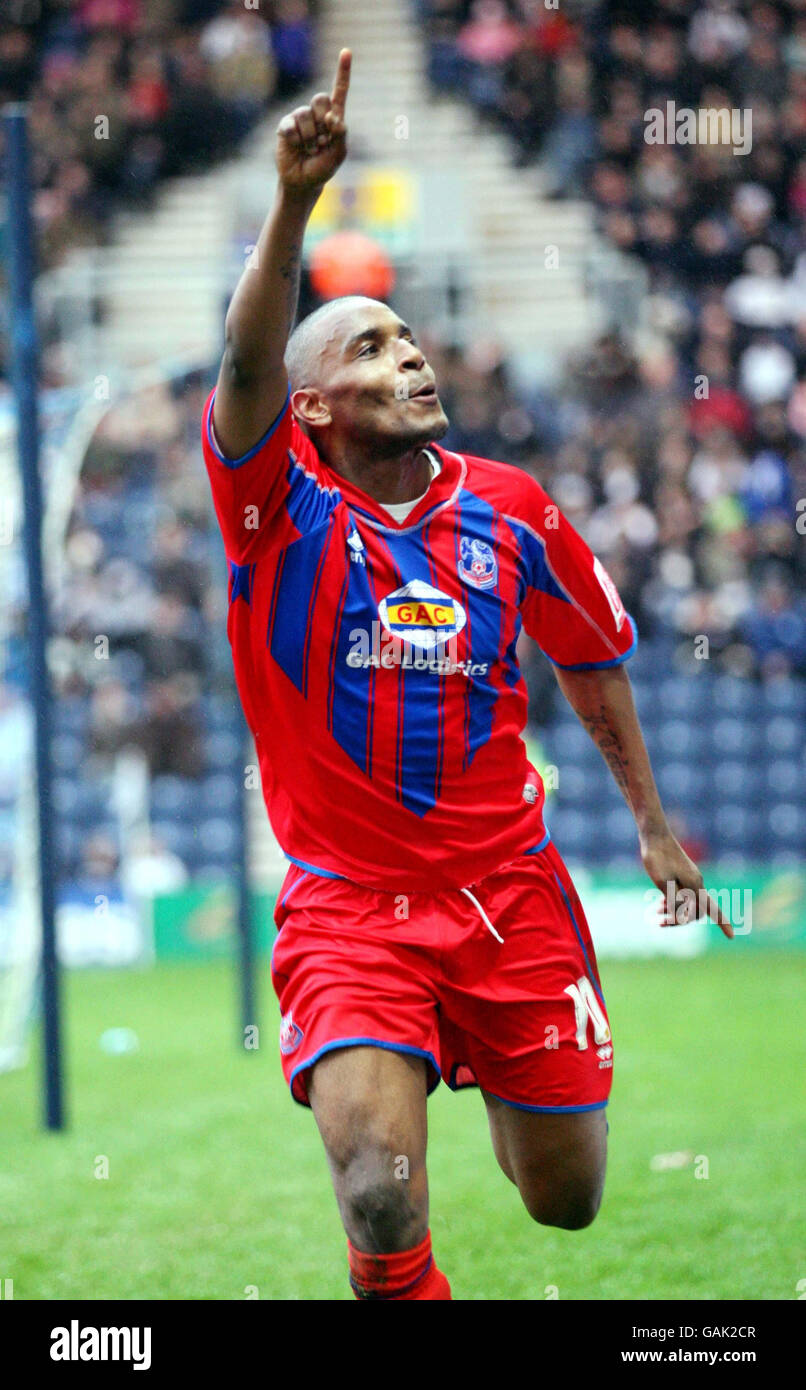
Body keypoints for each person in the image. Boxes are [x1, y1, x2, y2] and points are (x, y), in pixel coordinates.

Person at [200, 50, 732, 1301]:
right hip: (347, 907)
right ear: (317, 408)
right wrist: (292, 203)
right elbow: (240, 376)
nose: (413, 359)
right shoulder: (274, 511)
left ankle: (496, 1063)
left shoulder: (512, 511)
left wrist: (651, 824)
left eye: (413, 339)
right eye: (376, 350)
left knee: (567, 1201)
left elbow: (592, 661)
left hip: (507, 893)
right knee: (379, 1193)